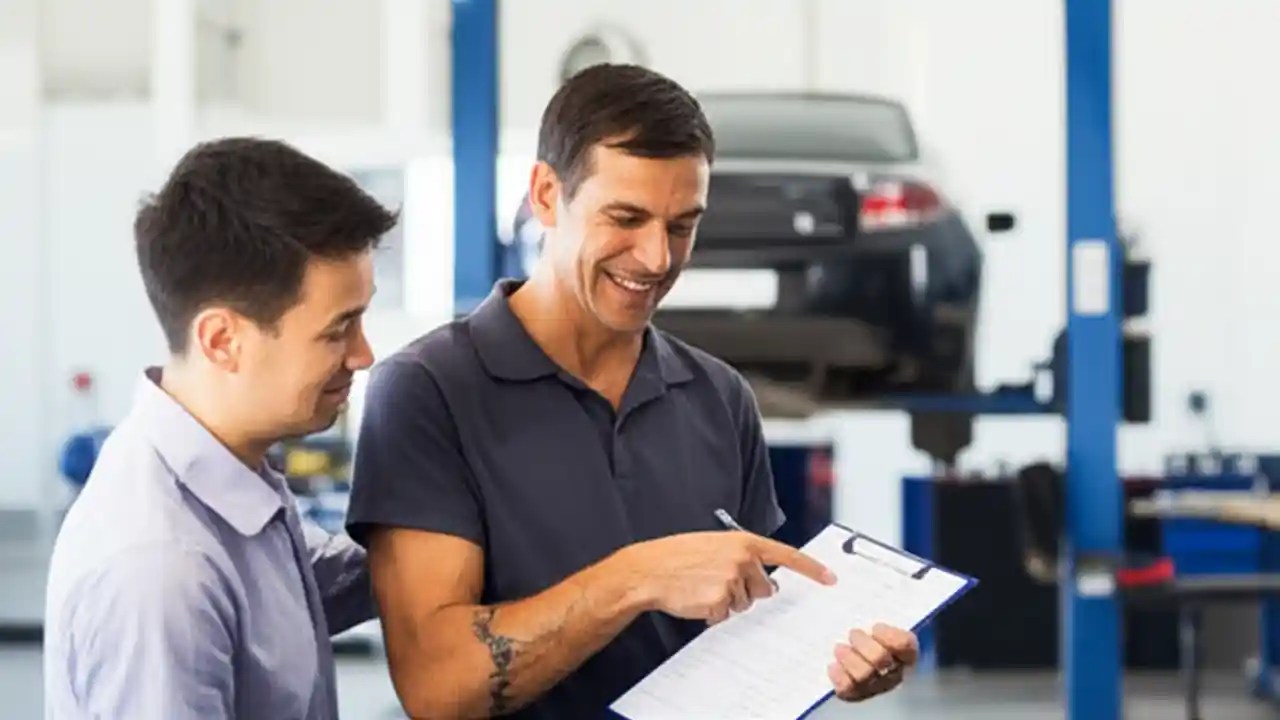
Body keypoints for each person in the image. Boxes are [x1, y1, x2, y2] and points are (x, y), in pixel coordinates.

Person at [346, 63, 919, 719]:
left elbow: (749, 636)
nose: (656, 258)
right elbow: (436, 684)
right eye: (626, 218)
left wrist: (835, 655)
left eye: (682, 225)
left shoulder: (718, 395)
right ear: (544, 195)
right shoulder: (428, 393)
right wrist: (636, 578)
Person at [42, 137, 397, 719]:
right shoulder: (159, 574)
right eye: (339, 329)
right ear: (222, 340)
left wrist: (461, 536)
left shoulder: (224, 475)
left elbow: (304, 589)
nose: (363, 354)